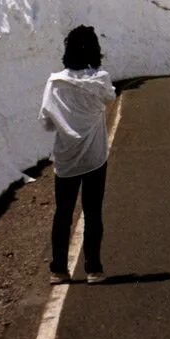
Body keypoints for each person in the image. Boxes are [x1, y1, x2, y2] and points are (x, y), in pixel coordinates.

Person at [39, 25, 117, 285]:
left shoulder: (55, 83)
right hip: (95, 156)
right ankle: (94, 269)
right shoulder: (101, 79)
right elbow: (110, 98)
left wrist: (65, 119)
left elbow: (46, 121)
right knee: (93, 212)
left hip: (66, 158)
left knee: (63, 212)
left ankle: (58, 269)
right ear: (95, 49)